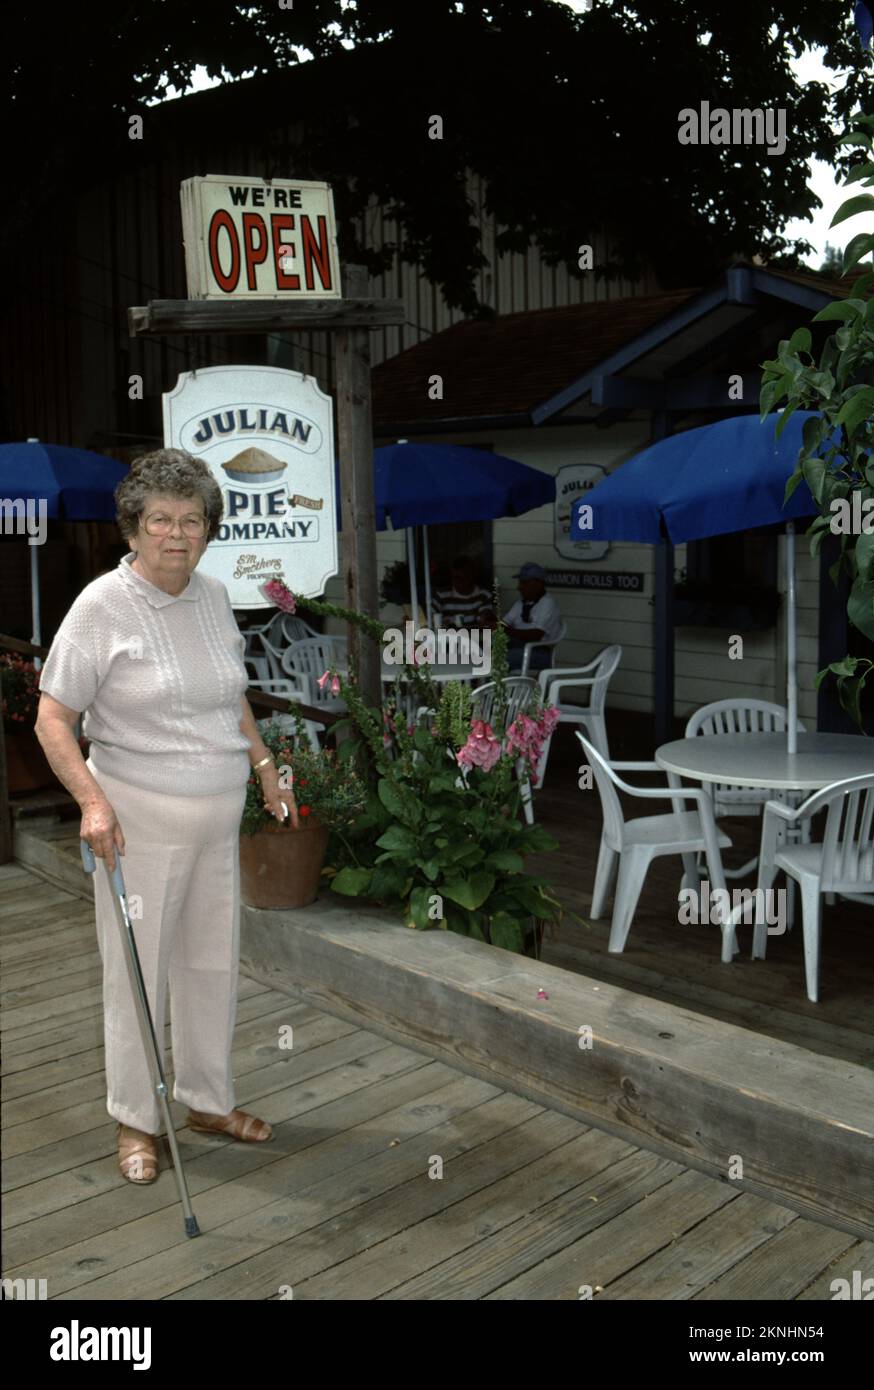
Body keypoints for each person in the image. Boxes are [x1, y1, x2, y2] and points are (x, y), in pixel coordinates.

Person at [34, 448, 299, 1185]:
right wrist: (91, 802)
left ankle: (207, 1102)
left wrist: (264, 766)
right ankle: (135, 1122)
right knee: (136, 974)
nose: (176, 534)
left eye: (191, 520)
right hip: (135, 826)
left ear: (209, 530)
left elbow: (229, 695)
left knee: (211, 963)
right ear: (133, 529)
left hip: (219, 818)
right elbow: (52, 720)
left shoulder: (213, 596)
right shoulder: (101, 606)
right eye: (160, 520)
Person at [500, 562, 563, 672]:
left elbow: (536, 635)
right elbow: (505, 622)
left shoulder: (547, 603)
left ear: (538, 584)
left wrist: (509, 631)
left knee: (494, 659)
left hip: (538, 652)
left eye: (524, 583)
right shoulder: (521, 603)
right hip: (516, 647)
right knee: (481, 653)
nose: (519, 587)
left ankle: (489, 688)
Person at [434, 556, 494, 628]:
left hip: (473, 637)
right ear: (451, 576)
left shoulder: (483, 595)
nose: (460, 582)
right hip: (446, 636)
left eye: (465, 577)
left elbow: (485, 619)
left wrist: (486, 618)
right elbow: (429, 617)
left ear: (473, 576)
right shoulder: (441, 595)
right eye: (456, 577)